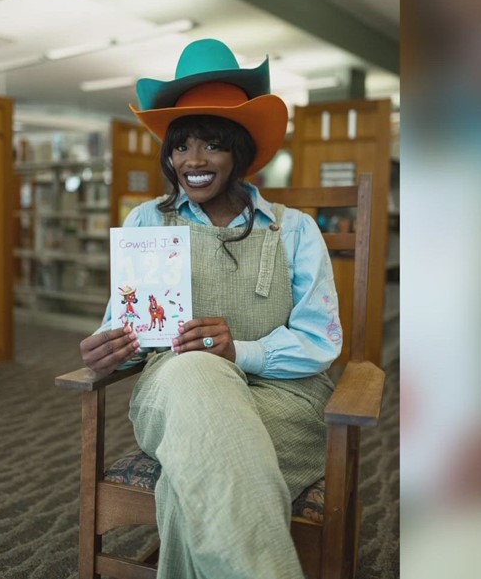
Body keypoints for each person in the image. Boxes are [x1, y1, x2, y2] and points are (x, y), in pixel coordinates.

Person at [77, 38, 342, 579]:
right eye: (180, 147)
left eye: (212, 145)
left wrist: (238, 352)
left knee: (192, 477)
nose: (192, 162)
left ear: (240, 152)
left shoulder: (294, 229)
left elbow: (320, 342)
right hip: (171, 392)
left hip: (285, 402)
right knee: (194, 368)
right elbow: (124, 322)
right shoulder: (146, 222)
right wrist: (108, 350)